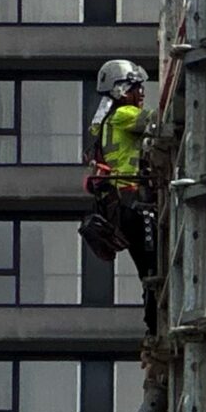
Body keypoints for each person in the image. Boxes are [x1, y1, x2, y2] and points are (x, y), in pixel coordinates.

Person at [81, 58, 158, 310]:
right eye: (136, 87)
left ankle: (152, 310)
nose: (141, 93)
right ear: (121, 90)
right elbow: (158, 122)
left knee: (148, 270)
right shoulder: (123, 115)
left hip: (122, 207)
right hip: (132, 200)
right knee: (153, 262)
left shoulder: (102, 124)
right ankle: (153, 306)